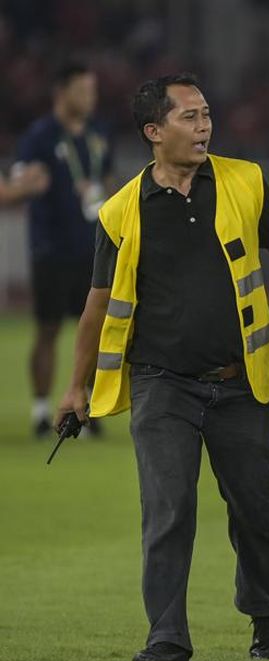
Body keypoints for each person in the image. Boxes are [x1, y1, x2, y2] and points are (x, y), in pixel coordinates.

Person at [55, 73, 269, 661]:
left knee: (258, 508)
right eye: (189, 117)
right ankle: (168, 637)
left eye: (206, 115)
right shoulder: (121, 211)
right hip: (161, 384)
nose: (204, 126)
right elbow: (98, 306)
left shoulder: (245, 180)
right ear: (155, 131)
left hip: (241, 380)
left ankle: (267, 620)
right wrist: (75, 388)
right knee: (168, 509)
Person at [16, 62, 115, 438]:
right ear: (62, 92)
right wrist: (28, 185)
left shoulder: (98, 133)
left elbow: (106, 181)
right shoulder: (40, 136)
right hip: (51, 247)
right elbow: (20, 180)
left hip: (91, 248)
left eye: (92, 90)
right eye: (83, 90)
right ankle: (41, 411)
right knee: (48, 328)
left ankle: (84, 406)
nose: (90, 97)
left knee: (92, 329)